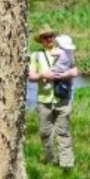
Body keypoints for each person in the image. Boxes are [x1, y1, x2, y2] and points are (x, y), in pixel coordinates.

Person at [28, 28, 77, 169]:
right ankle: (50, 160)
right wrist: (44, 75)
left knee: (63, 132)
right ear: (41, 40)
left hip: (63, 98)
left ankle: (67, 165)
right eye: (45, 37)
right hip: (44, 100)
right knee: (45, 133)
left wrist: (63, 75)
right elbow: (31, 77)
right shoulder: (36, 55)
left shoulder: (65, 51)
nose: (49, 39)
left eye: (51, 36)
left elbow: (75, 71)